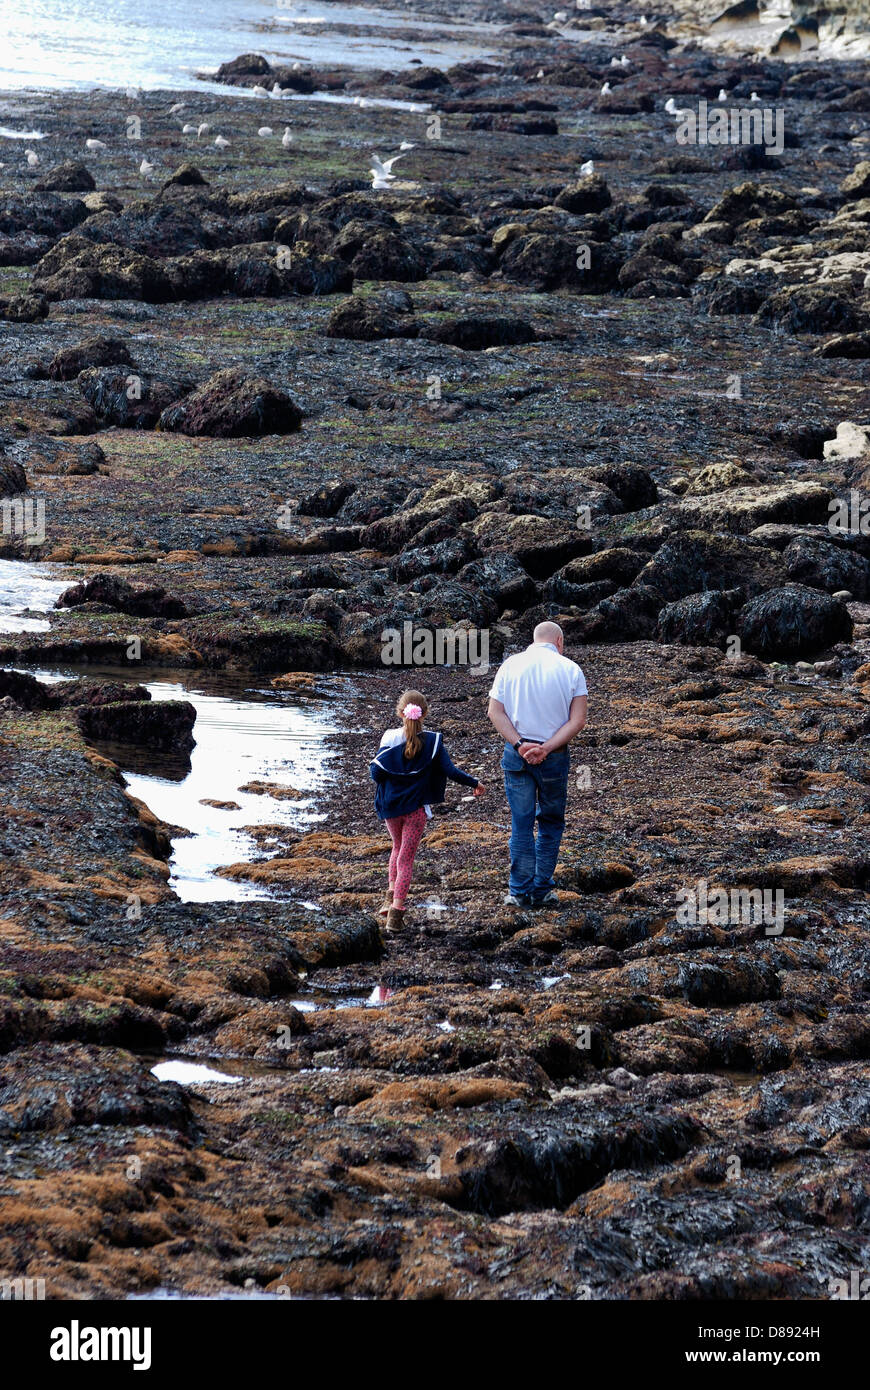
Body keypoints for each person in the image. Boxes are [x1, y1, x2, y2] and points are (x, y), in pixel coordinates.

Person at [487, 622, 587, 907]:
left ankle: (518, 891)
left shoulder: (510, 665)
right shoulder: (571, 669)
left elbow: (495, 712)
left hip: (517, 754)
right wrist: (547, 747)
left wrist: (520, 744)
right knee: (550, 822)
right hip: (553, 756)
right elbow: (577, 720)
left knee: (521, 823)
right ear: (559, 640)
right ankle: (541, 888)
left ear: (533, 640)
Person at [370, 689, 485, 932]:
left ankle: (390, 897)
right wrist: (475, 783)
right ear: (425, 713)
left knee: (396, 849)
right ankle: (396, 915)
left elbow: (376, 773)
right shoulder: (433, 742)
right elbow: (451, 771)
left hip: (391, 808)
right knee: (406, 859)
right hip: (416, 810)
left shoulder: (389, 738)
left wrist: (395, 765)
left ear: (401, 712)